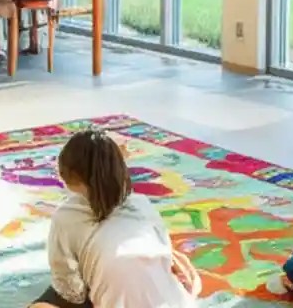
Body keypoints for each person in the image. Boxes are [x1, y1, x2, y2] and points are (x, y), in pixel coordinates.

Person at [31, 129, 201, 308]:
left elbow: (71, 291)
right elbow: (166, 255)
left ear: (68, 174)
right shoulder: (141, 204)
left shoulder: (65, 216)